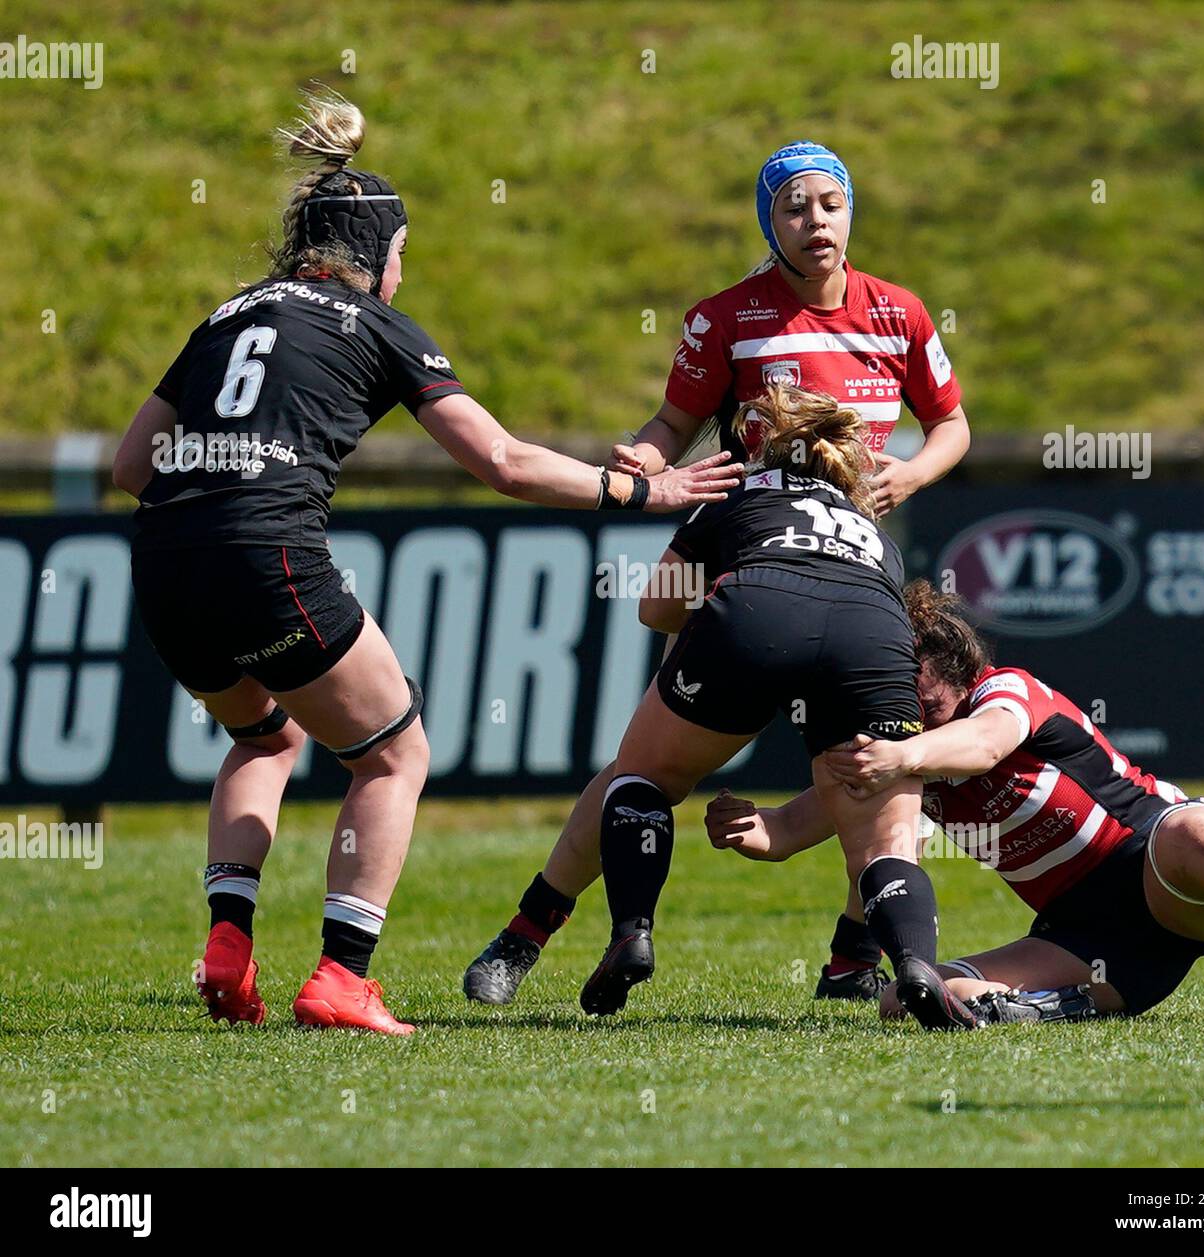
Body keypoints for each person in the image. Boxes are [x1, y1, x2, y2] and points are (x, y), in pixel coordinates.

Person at [111, 88, 741, 1036]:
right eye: (401, 257)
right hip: (265, 551)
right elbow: (504, 464)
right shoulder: (375, 322)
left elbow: (128, 467)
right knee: (395, 753)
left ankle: (229, 944)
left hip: (162, 558)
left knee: (265, 739)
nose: (402, 277)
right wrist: (645, 494)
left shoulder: (225, 314)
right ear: (374, 256)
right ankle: (341, 975)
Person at [465, 140, 970, 1006]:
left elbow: (952, 424)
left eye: (831, 203)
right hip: (784, 547)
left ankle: (844, 960)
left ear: (853, 211)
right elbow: (674, 423)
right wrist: (648, 462)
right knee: (879, 793)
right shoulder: (727, 317)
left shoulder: (902, 314)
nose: (817, 221)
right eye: (795, 207)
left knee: (701, 771)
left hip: (827, 557)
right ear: (768, 223)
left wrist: (912, 473)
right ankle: (527, 936)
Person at [531, 385, 973, 1027]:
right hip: (873, 634)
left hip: (757, 615)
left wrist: (722, 607)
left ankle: (632, 933)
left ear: (761, 444)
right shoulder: (874, 531)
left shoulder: (736, 495)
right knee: (888, 845)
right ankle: (914, 965)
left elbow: (656, 608)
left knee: (644, 777)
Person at [705, 580, 1204, 1026]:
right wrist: (745, 824)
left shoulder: (1003, 690)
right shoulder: (905, 754)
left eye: (924, 704)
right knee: (907, 999)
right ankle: (1044, 1008)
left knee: (1200, 830)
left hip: (1156, 865)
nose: (909, 724)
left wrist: (900, 757)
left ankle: (1044, 1005)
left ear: (961, 675)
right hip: (1083, 940)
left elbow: (985, 744)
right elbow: (785, 831)